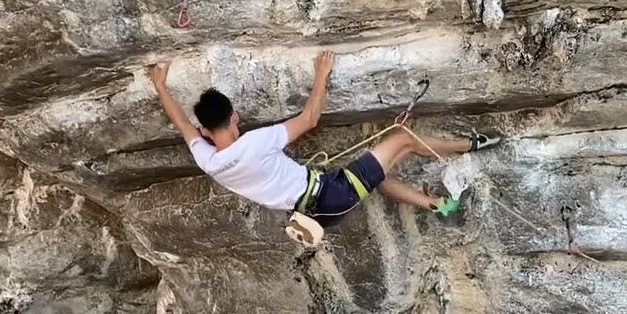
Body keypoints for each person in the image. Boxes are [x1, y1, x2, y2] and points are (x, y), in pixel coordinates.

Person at [148, 51, 500, 229]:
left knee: (376, 176)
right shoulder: (256, 142)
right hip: (331, 195)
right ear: (234, 116)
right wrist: (321, 74)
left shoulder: (208, 162)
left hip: (317, 211)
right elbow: (310, 119)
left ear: (207, 131)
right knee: (401, 140)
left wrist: (161, 88)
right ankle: (470, 144)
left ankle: (435, 205)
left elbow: (183, 127)